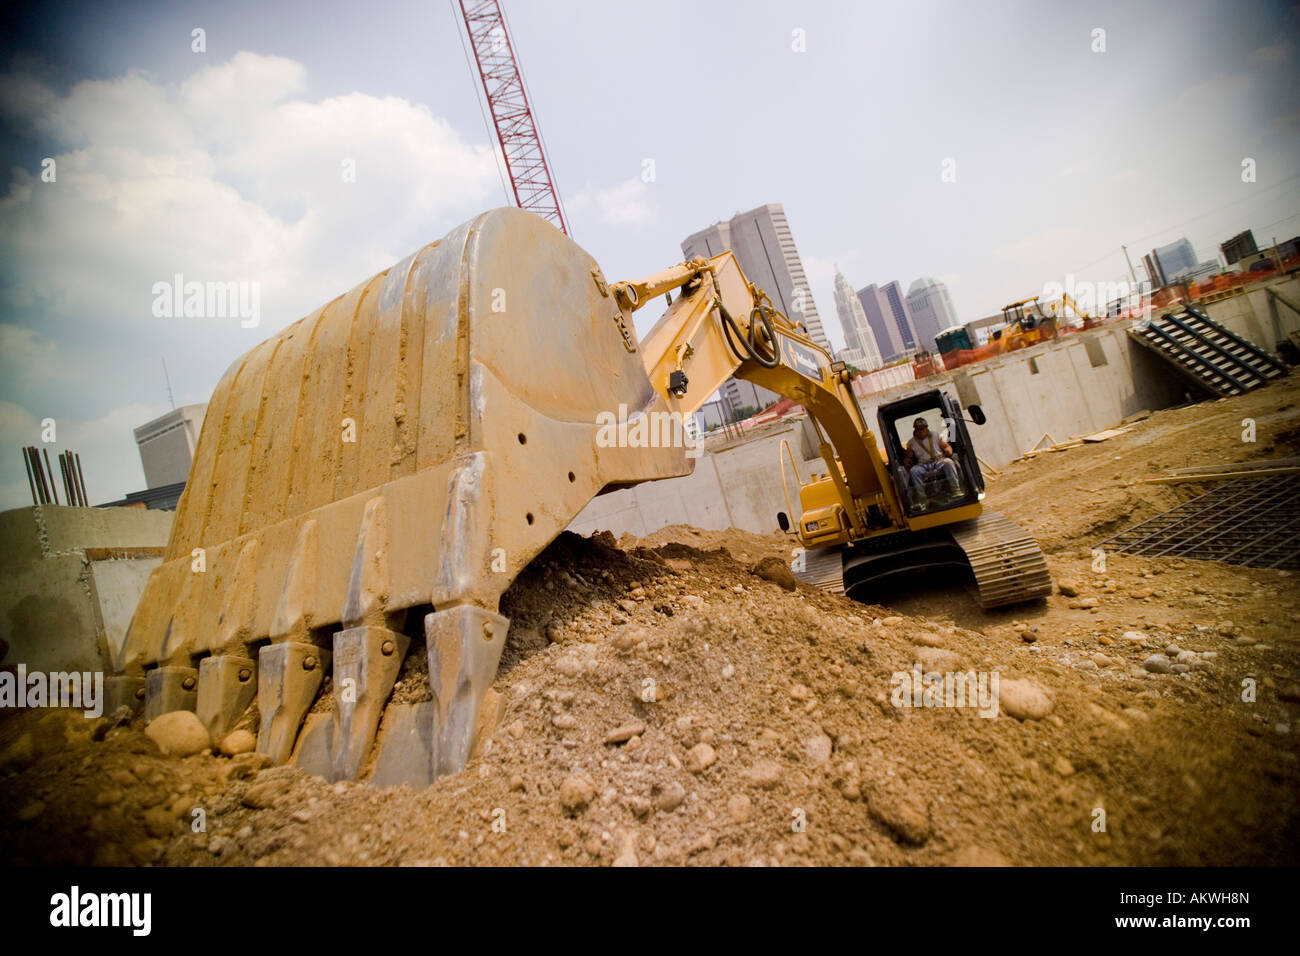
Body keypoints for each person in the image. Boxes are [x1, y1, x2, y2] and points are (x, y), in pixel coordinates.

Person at [903, 416, 960, 505]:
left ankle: (956, 490)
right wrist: (907, 462)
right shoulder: (911, 442)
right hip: (923, 464)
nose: (920, 431)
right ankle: (923, 498)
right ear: (915, 429)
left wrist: (948, 451)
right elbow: (908, 457)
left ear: (926, 428)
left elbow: (946, 446)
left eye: (922, 428)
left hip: (939, 461)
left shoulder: (936, 435)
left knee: (948, 462)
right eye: (918, 429)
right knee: (914, 471)